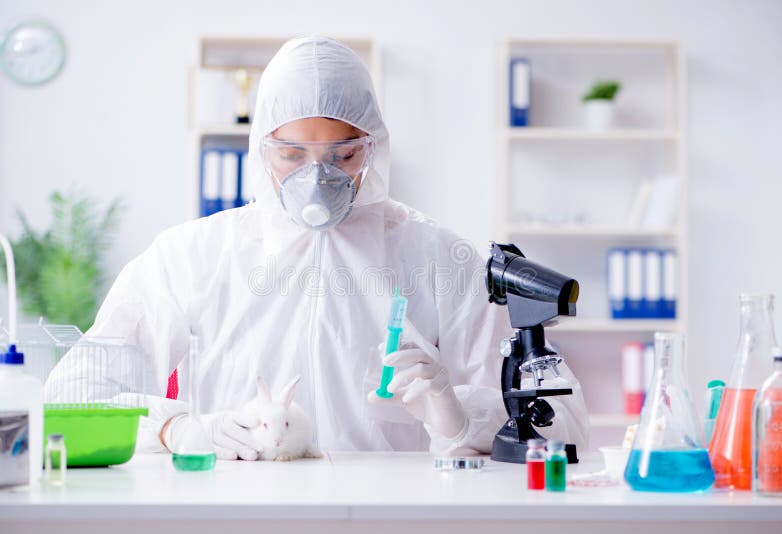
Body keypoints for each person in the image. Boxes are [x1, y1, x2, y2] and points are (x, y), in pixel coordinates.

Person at [47, 36, 589, 460]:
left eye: (342, 155)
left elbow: (567, 427)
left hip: (394, 516)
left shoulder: (440, 258)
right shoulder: (194, 254)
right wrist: (175, 427)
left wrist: (459, 415)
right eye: (291, 154)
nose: (316, 176)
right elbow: (73, 390)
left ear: (371, 146)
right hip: (234, 508)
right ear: (261, 147)